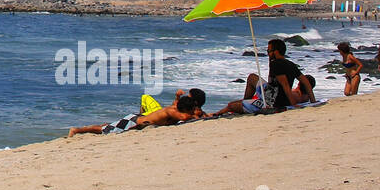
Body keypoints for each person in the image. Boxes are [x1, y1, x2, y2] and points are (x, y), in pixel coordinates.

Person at [213, 38, 314, 115]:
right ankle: (246, 102)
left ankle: (240, 108)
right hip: (269, 91)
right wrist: (313, 101)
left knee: (231, 106)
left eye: (269, 51)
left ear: (276, 52)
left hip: (271, 101)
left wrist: (293, 105)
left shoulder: (276, 64)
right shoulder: (290, 64)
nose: (267, 53)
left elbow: (285, 85)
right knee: (252, 77)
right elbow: (306, 82)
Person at [69, 94, 200, 137]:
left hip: (136, 118)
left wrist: (178, 96)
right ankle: (77, 130)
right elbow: (184, 118)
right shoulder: (173, 112)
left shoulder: (174, 107)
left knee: (107, 126)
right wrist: (196, 116)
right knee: (103, 130)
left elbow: (177, 103)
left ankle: (81, 129)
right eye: (191, 110)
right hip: (133, 122)